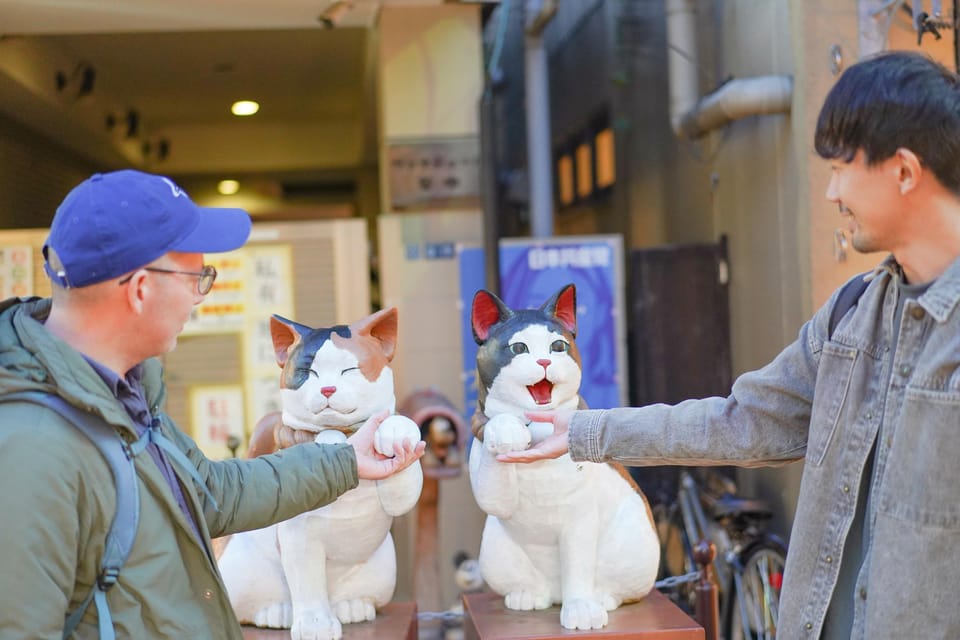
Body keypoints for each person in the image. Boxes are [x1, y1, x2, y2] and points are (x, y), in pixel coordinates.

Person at [498, 50, 960, 639]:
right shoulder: (852, 314)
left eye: (842, 167)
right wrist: (587, 433)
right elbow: (740, 423)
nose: (830, 192)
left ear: (903, 171)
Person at [0, 169, 424, 638]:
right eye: (198, 278)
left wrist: (345, 461)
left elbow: (205, 493)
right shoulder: (30, 447)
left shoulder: (121, 392)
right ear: (141, 289)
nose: (200, 298)